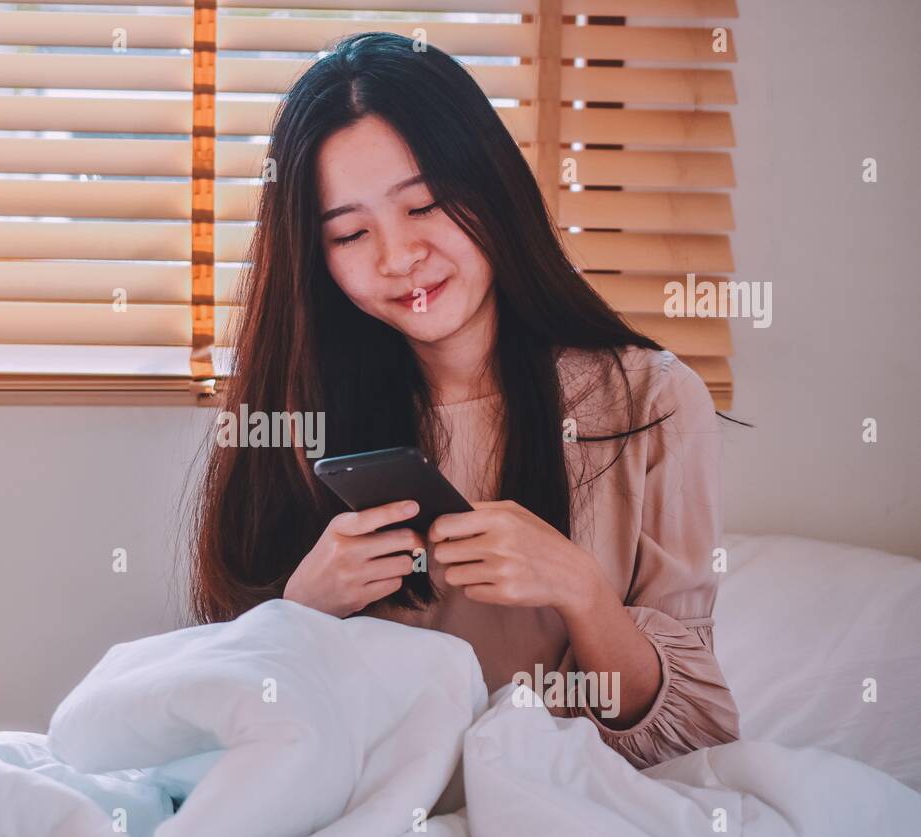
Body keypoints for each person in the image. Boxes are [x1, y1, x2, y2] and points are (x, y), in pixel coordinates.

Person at [188, 32, 740, 769]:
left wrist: (582, 592)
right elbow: (221, 725)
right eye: (350, 232)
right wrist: (301, 613)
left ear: (493, 187)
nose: (396, 257)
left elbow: (697, 737)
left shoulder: (651, 399)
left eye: (424, 206)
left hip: (566, 811)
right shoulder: (296, 413)